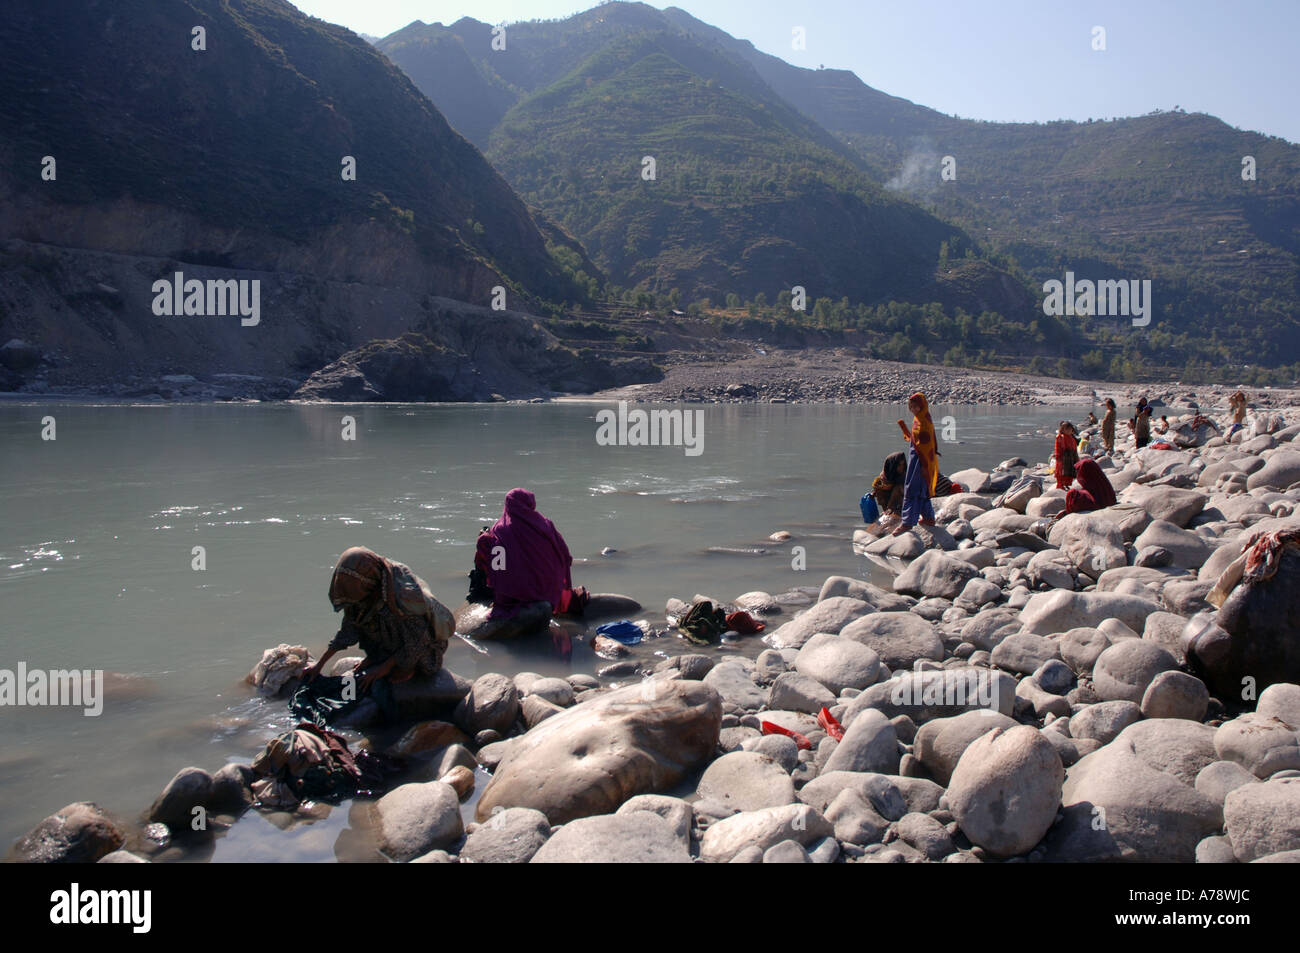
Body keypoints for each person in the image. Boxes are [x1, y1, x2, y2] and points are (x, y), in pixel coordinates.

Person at [303, 546, 452, 689]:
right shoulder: (360, 598)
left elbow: (419, 638)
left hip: (424, 646)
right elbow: (347, 631)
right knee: (363, 621)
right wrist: (319, 665)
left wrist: (383, 669)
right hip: (395, 641)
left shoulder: (400, 597)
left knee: (389, 620)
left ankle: (406, 668)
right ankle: (382, 659)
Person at [475, 488, 586, 619]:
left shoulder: (500, 529)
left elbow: (498, 565)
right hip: (548, 588)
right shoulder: (545, 524)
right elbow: (565, 555)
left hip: (514, 592)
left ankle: (509, 594)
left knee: (485, 541)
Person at [892, 392, 939, 535]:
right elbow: (918, 440)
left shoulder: (923, 421)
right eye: (911, 407)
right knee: (922, 489)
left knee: (912, 489)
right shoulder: (921, 418)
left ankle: (907, 523)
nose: (913, 409)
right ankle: (929, 518)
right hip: (920, 459)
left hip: (920, 461)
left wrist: (924, 466)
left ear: (922, 406)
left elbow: (924, 445)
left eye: (915, 407)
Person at [1053, 421, 1078, 490]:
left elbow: (1075, 448)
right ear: (1062, 430)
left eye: (1070, 429)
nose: (1069, 431)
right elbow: (1057, 448)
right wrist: (1058, 456)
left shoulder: (1072, 438)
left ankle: (1066, 484)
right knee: (1061, 471)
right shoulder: (1060, 437)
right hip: (1062, 457)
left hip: (1071, 457)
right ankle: (1060, 485)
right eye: (1067, 429)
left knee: (1069, 471)